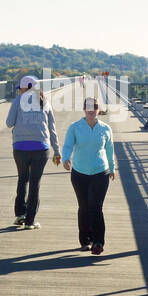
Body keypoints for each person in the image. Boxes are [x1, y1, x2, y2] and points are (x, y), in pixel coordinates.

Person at [61, 97, 116, 255]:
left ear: (99, 109)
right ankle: (85, 240)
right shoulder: (75, 127)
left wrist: (112, 168)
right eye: (88, 107)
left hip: (100, 172)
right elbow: (68, 145)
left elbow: (110, 150)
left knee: (96, 207)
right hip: (79, 173)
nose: (91, 110)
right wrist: (66, 158)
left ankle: (98, 242)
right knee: (84, 207)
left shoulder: (106, 128)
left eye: (95, 107)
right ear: (84, 109)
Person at [5, 75, 60, 229]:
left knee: (23, 179)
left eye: (21, 89)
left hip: (20, 147)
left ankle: (20, 214)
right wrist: (57, 151)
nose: (19, 92)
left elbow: (9, 123)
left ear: (25, 88)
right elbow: (52, 128)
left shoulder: (18, 101)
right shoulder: (45, 102)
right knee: (35, 183)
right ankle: (30, 221)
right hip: (41, 148)